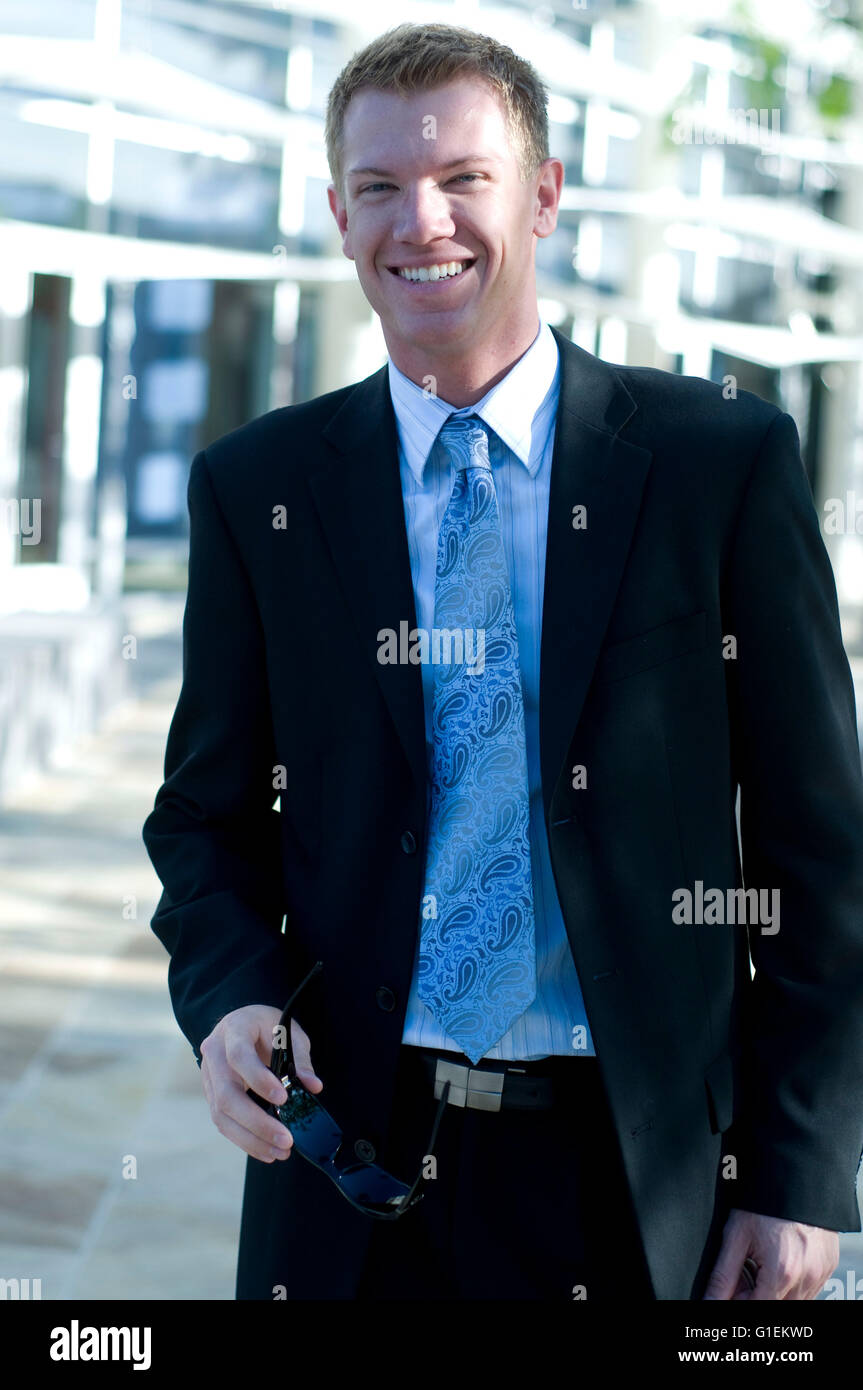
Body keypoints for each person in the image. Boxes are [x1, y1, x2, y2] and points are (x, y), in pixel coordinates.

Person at [142, 22, 863, 1302]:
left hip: (637, 1187)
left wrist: (795, 1170)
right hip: (348, 1175)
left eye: (463, 177)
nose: (420, 221)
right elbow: (202, 820)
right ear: (337, 212)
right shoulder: (257, 492)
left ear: (542, 197)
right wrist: (228, 1001)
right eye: (378, 188)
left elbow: (821, 850)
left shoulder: (719, 465)